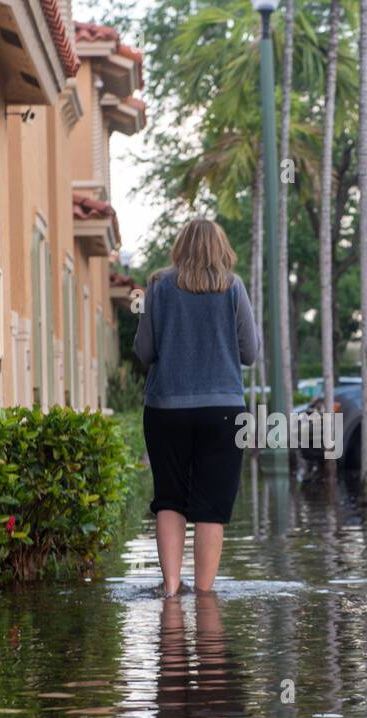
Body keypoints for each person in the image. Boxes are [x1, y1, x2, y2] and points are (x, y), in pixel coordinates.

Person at [134, 219, 261, 597]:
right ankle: (205, 594)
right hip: (223, 412)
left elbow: (143, 351)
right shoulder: (233, 288)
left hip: (166, 409)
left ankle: (171, 588)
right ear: (221, 249)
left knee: (169, 498)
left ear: (180, 247)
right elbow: (251, 353)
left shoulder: (158, 286)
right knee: (211, 505)